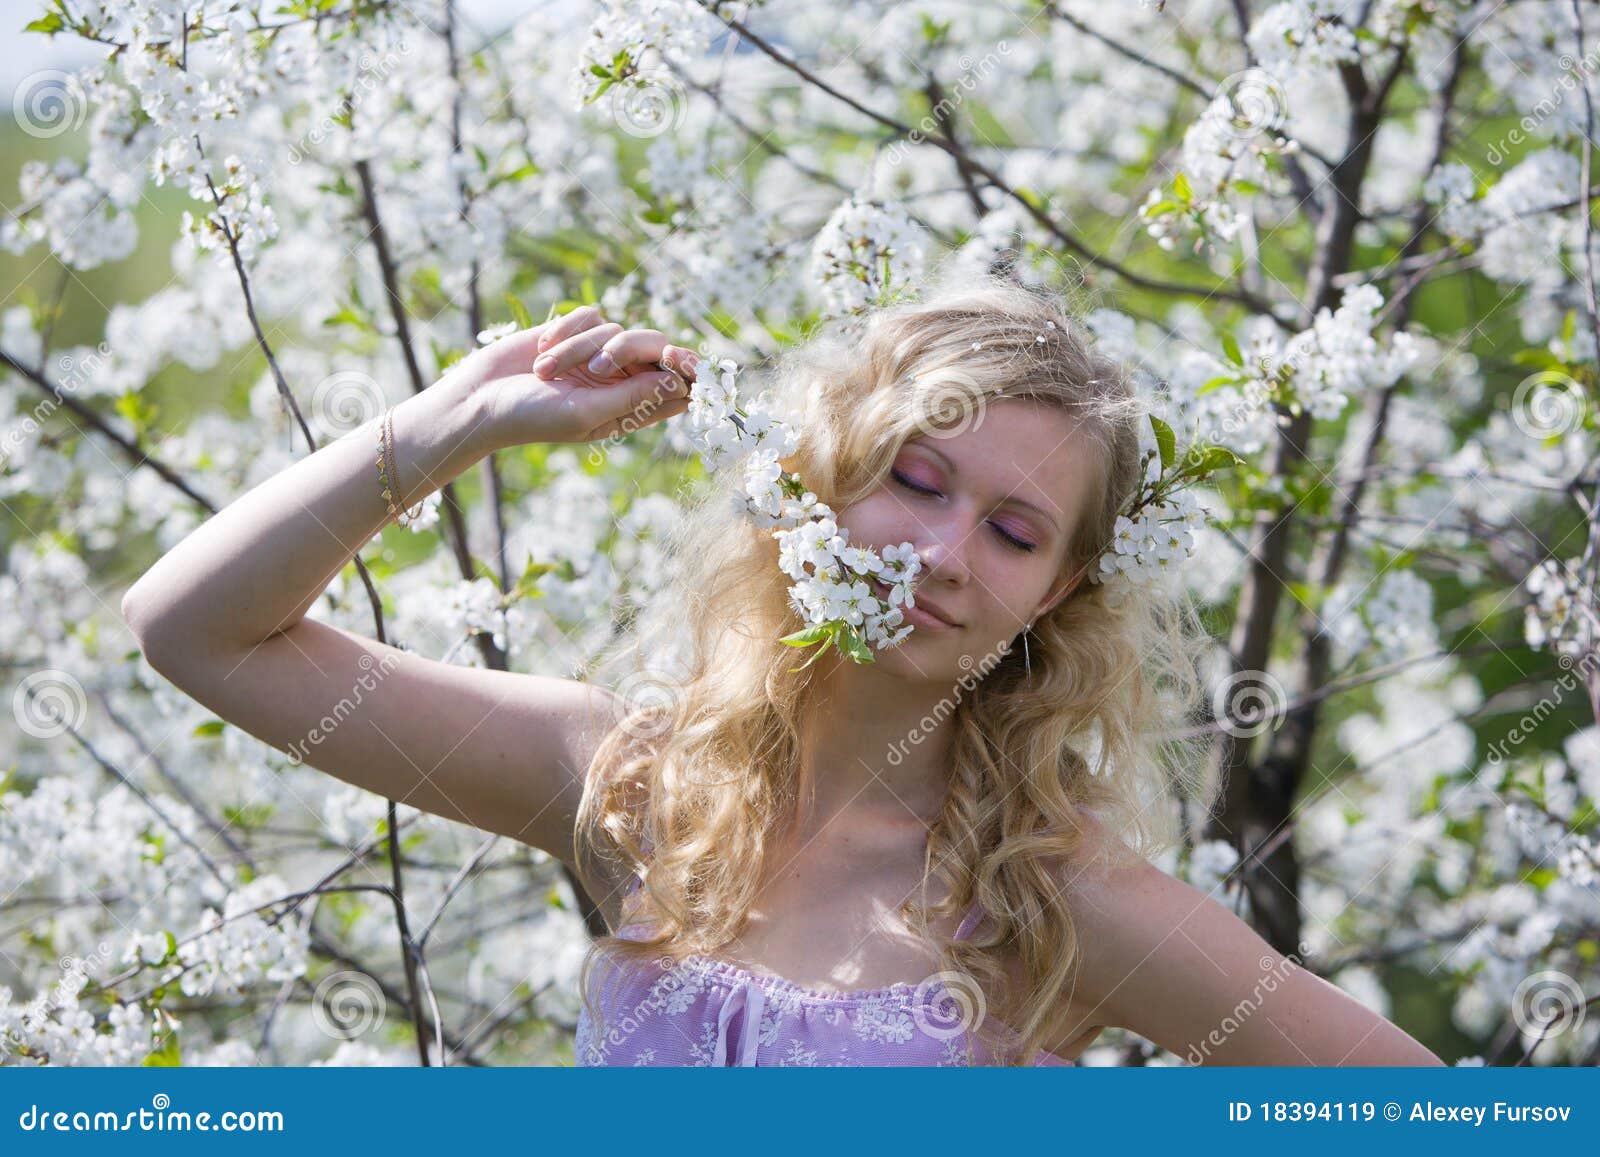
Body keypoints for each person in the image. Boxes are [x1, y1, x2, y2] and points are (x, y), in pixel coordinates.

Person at [122, 269, 1445, 1067]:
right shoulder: (632, 787)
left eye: (1013, 533)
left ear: (1055, 596)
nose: (941, 552)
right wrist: (452, 425)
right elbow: (197, 631)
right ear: (822, 481)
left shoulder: (1050, 899)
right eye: (915, 479)